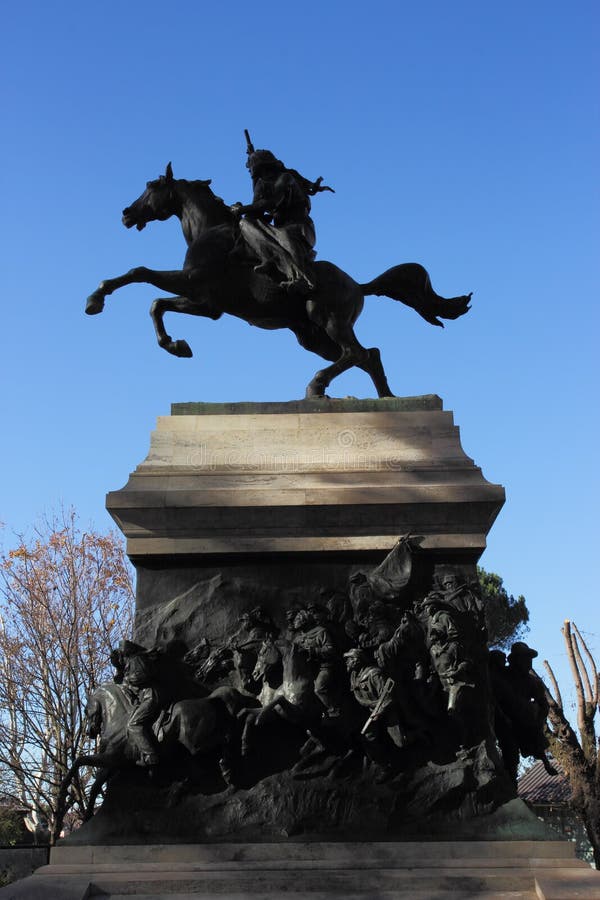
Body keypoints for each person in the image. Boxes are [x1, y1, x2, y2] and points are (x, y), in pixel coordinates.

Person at [230, 132, 333, 291]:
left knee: (283, 236)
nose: (249, 170)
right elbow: (255, 210)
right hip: (279, 229)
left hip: (299, 229)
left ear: (259, 165)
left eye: (250, 166)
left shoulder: (285, 178)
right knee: (246, 224)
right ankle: (267, 258)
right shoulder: (261, 185)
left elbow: (271, 202)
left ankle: (301, 276)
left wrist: (241, 209)